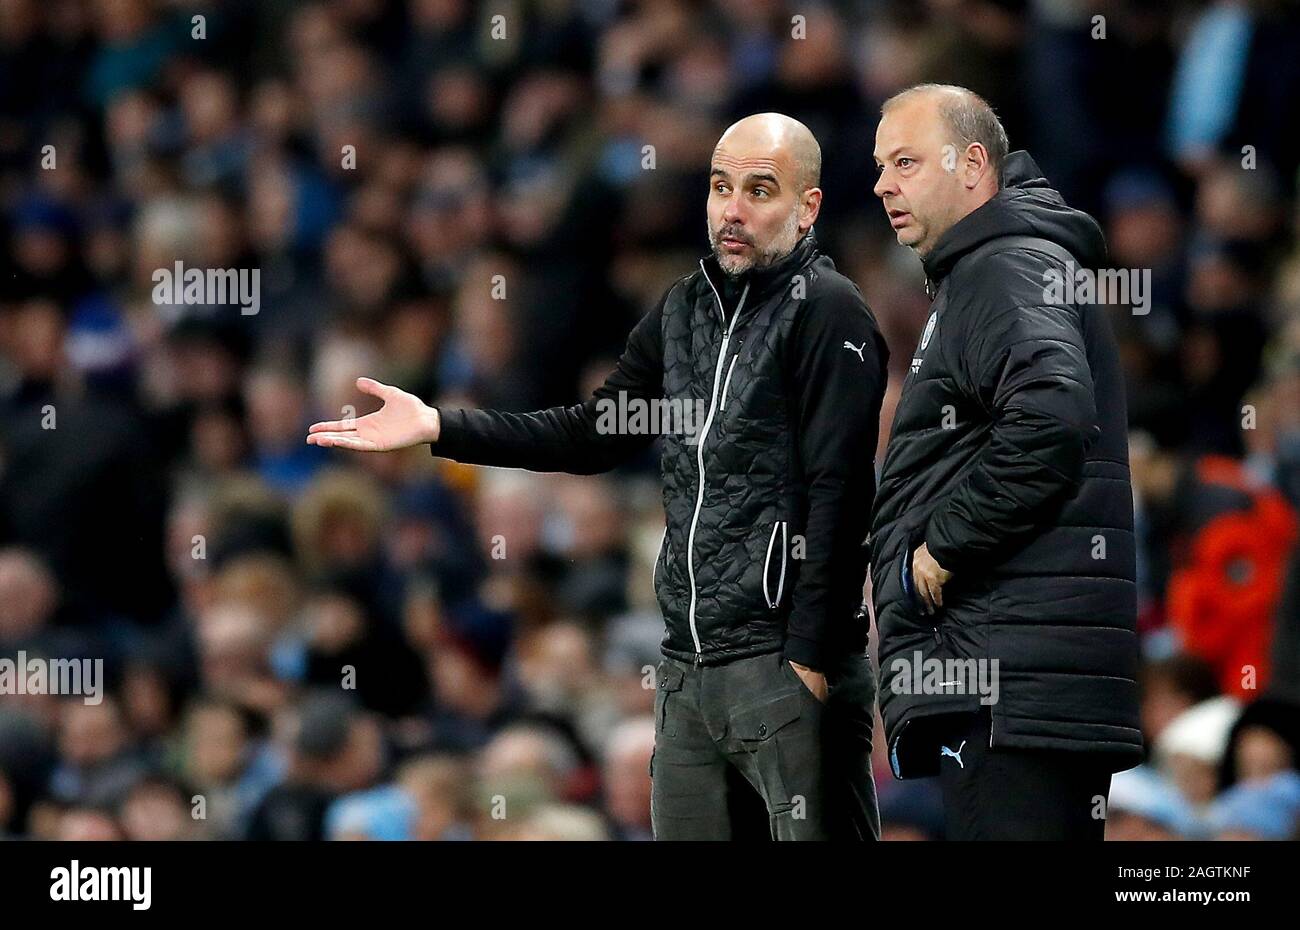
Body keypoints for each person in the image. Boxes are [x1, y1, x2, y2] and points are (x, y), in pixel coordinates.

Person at [307, 113, 888, 840]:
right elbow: (593, 434)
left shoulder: (831, 312)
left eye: (760, 190)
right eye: (720, 187)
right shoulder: (683, 309)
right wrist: (442, 427)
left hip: (785, 662)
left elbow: (842, 492)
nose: (733, 209)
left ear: (808, 208)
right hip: (689, 668)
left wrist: (808, 657)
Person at [868, 84, 1142, 840]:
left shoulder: (1004, 265)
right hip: (1021, 677)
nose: (883, 183)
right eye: (881, 165)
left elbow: (1051, 416)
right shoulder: (991, 268)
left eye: (906, 162)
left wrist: (942, 545)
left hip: (1007, 681)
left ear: (972, 164)